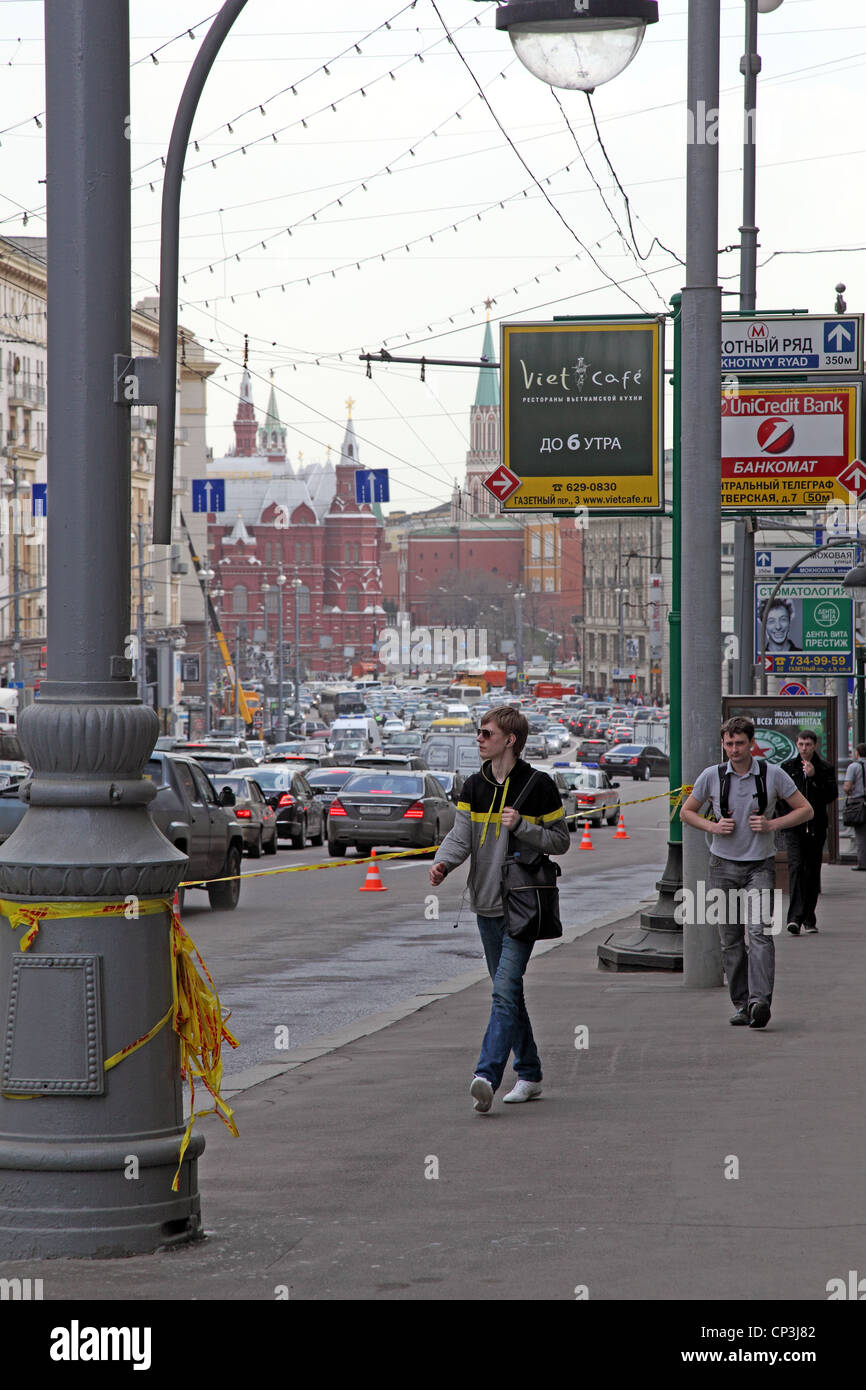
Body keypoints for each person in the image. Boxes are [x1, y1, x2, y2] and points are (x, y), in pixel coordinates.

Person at [429, 705, 570, 1113]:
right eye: (479, 732)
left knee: (504, 991)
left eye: (486, 733)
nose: (479, 738)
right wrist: (443, 863)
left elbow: (560, 840)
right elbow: (460, 837)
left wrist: (522, 826)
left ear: (510, 740)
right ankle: (530, 1073)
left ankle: (486, 1076)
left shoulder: (539, 785)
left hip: (523, 906)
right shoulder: (474, 786)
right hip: (486, 905)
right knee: (510, 994)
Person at [680, 716, 813, 1029]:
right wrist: (712, 825)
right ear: (723, 743)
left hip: (759, 865)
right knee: (730, 939)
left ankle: (760, 1001)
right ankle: (742, 1003)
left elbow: (805, 809)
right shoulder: (712, 776)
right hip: (722, 865)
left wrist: (771, 824)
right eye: (729, 744)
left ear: (751, 744)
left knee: (758, 932)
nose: (734, 750)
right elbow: (687, 812)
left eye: (740, 743)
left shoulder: (771, 774)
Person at [780, 730, 838, 934]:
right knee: (796, 867)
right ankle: (794, 917)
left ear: (814, 746)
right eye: (801, 744)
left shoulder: (824, 768)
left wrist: (814, 778)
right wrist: (782, 820)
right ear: (796, 745)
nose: (804, 749)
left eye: (808, 745)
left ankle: (809, 917)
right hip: (794, 827)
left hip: (815, 826)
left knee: (812, 871)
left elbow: (831, 795)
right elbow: (780, 796)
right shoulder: (788, 767)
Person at [843, 743, 866, 871]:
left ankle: (862, 863)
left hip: (859, 802)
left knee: (861, 835)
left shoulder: (854, 766)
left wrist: (848, 793)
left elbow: (847, 786)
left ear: (857, 753)